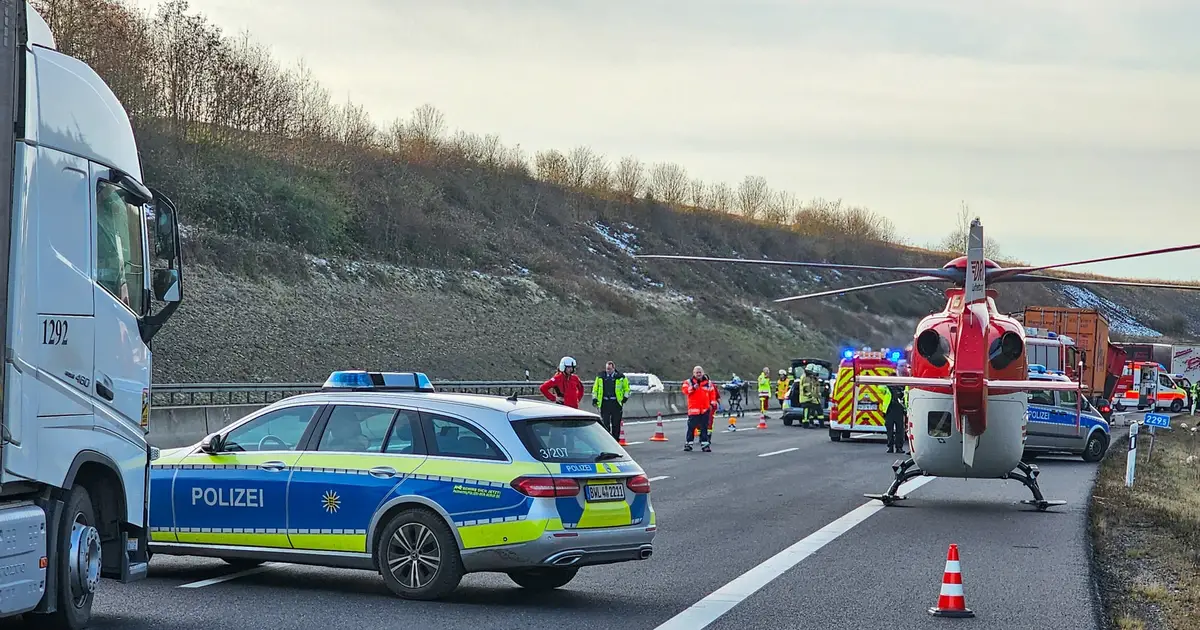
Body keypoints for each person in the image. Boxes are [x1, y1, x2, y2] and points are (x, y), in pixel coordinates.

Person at [682, 365, 719, 452]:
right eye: (697, 372)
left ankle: (705, 445)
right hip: (693, 410)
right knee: (691, 427)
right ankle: (688, 444)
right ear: (693, 373)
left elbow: (712, 394)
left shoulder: (708, 383)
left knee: (704, 428)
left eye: (700, 372)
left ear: (703, 373)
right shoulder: (688, 382)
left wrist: (713, 404)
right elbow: (685, 390)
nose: (698, 374)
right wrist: (693, 388)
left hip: (705, 409)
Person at [591, 361, 630, 440]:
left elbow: (627, 389)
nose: (608, 371)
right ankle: (607, 440)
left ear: (613, 368)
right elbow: (595, 389)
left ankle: (616, 440)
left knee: (616, 423)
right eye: (607, 369)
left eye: (609, 369)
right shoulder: (600, 377)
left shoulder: (621, 377)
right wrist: (594, 399)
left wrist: (624, 398)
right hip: (605, 403)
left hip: (616, 403)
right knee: (605, 423)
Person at [881, 384, 907, 453]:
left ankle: (899, 447)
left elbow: (906, 397)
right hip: (889, 411)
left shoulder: (903, 387)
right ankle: (890, 447)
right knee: (890, 430)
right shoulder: (887, 387)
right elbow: (880, 387)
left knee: (900, 430)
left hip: (899, 411)